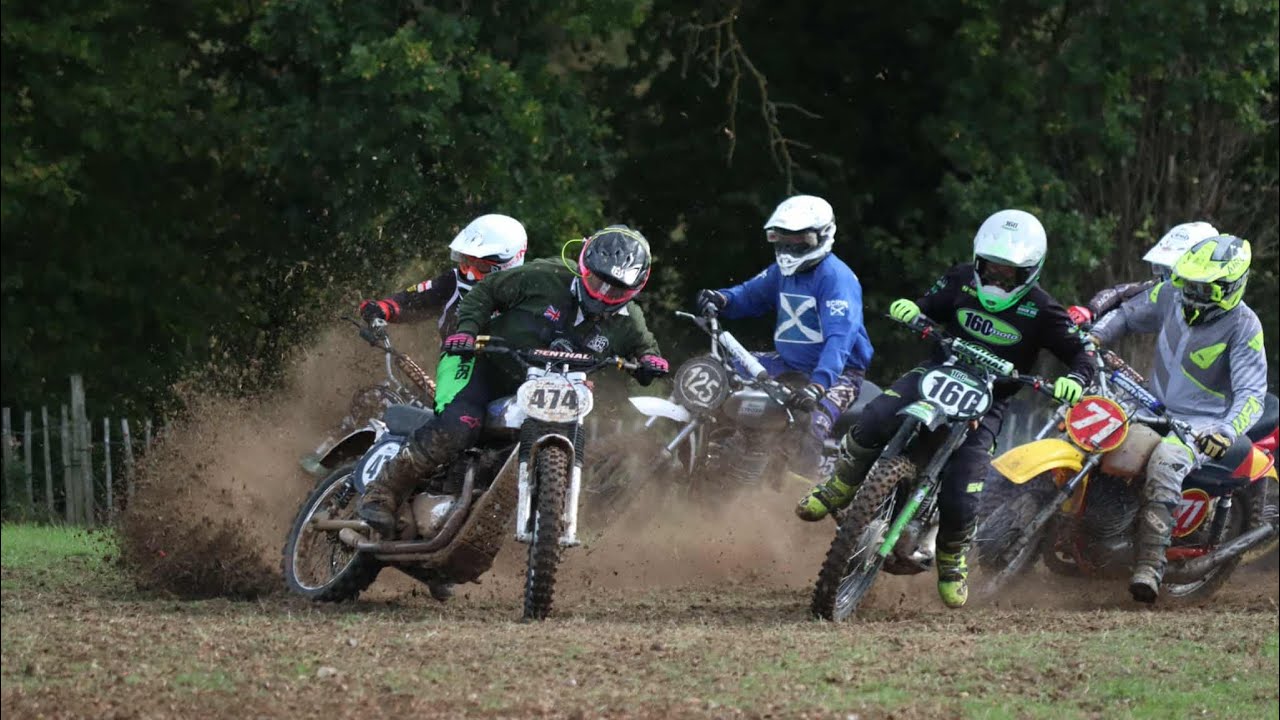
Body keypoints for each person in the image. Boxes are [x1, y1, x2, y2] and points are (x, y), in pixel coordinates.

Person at [795, 209, 1096, 609]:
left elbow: (1082, 355)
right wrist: (911, 310)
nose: (997, 278)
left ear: (1030, 271)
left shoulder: (1043, 310)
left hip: (987, 399)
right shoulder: (958, 280)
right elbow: (926, 306)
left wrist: (1074, 381)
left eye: (1009, 272)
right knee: (874, 418)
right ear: (978, 260)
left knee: (964, 490)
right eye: (991, 267)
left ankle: (952, 559)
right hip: (937, 371)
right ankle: (842, 483)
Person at [357, 224, 670, 538]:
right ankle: (382, 492)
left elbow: (645, 347)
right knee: (460, 424)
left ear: (635, 289)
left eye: (614, 290)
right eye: (596, 281)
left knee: (571, 430)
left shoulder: (630, 319)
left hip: (549, 385)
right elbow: (485, 291)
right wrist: (466, 330)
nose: (602, 295)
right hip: (483, 362)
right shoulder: (542, 275)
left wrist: (649, 362)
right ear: (583, 266)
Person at [1090, 234, 1267, 603]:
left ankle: (1149, 566)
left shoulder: (1244, 326)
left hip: (1203, 421)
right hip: (1152, 405)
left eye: (1205, 288)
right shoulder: (1170, 294)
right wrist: (1094, 337)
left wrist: (1226, 431)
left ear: (1230, 286)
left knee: (1167, 461)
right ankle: (1086, 530)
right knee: (1096, 433)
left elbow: (1252, 395)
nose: (1192, 293)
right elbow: (1125, 315)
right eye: (1190, 282)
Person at [695, 195, 873, 481]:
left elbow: (839, 340)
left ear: (823, 236)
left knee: (810, 422)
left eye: (800, 240)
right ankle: (704, 457)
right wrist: (721, 299)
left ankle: (795, 505)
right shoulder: (781, 272)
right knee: (713, 373)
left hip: (837, 374)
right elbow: (749, 296)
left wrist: (818, 385)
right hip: (786, 363)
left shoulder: (836, 279)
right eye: (783, 239)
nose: (790, 247)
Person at [359, 213, 529, 401]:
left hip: (514, 387)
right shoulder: (451, 282)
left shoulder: (531, 292)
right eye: (466, 264)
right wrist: (382, 308)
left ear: (508, 265)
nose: (470, 275)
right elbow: (410, 301)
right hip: (457, 382)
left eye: (481, 266)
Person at [1065, 221, 1218, 327]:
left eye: (1170, 271)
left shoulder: (1226, 312)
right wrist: (1090, 311)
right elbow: (1120, 292)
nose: (1166, 278)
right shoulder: (1160, 288)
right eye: (1163, 269)